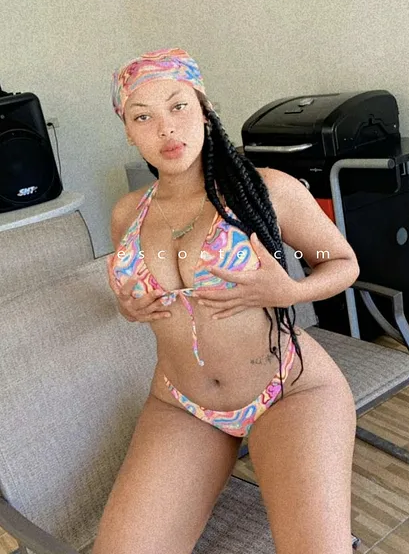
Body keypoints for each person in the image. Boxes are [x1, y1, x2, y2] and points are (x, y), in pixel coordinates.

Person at [92, 47, 360, 554]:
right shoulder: (127, 213)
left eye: (178, 106)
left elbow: (342, 262)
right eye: (142, 117)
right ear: (128, 131)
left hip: (288, 390)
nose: (166, 128)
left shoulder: (267, 189)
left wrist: (291, 291)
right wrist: (130, 308)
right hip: (180, 402)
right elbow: (135, 300)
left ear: (204, 108)